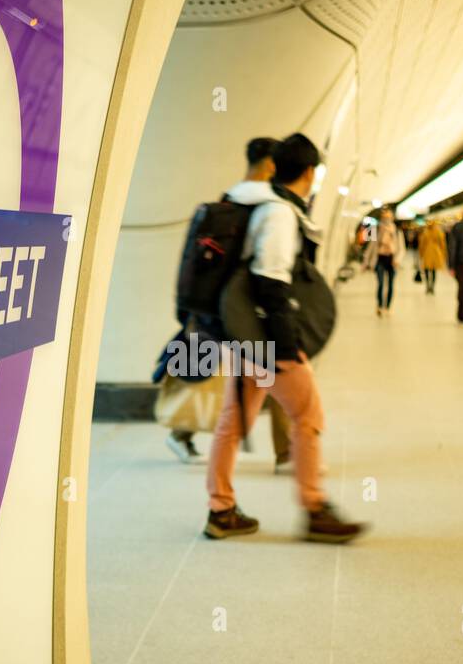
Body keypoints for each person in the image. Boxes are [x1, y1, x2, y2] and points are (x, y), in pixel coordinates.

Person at [204, 133, 365, 543]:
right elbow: (270, 279)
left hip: (241, 329)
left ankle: (221, 509)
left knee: (233, 420)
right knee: (308, 415)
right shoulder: (279, 213)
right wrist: (286, 349)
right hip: (264, 337)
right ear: (311, 172)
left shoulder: (247, 199)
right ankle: (314, 508)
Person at [167, 137, 288, 464]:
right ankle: (286, 451)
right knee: (272, 366)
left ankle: (287, 449)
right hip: (243, 306)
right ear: (271, 164)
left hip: (215, 304)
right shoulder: (268, 205)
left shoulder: (228, 199)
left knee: (258, 369)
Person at [363, 206, 402, 317]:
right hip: (379, 259)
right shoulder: (375, 229)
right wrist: (366, 262)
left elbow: (401, 248)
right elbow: (370, 247)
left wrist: (397, 260)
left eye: (388, 217)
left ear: (392, 218)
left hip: (392, 260)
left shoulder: (397, 231)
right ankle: (379, 305)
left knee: (390, 285)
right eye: (384, 217)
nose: (386, 220)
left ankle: (387, 307)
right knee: (380, 283)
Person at [417, 217, 447, 295]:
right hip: (436, 253)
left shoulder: (425, 232)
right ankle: (432, 287)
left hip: (427, 253)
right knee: (433, 271)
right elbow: (442, 244)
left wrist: (421, 254)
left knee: (427, 270)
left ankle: (428, 286)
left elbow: (422, 244)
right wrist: (443, 254)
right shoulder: (439, 232)